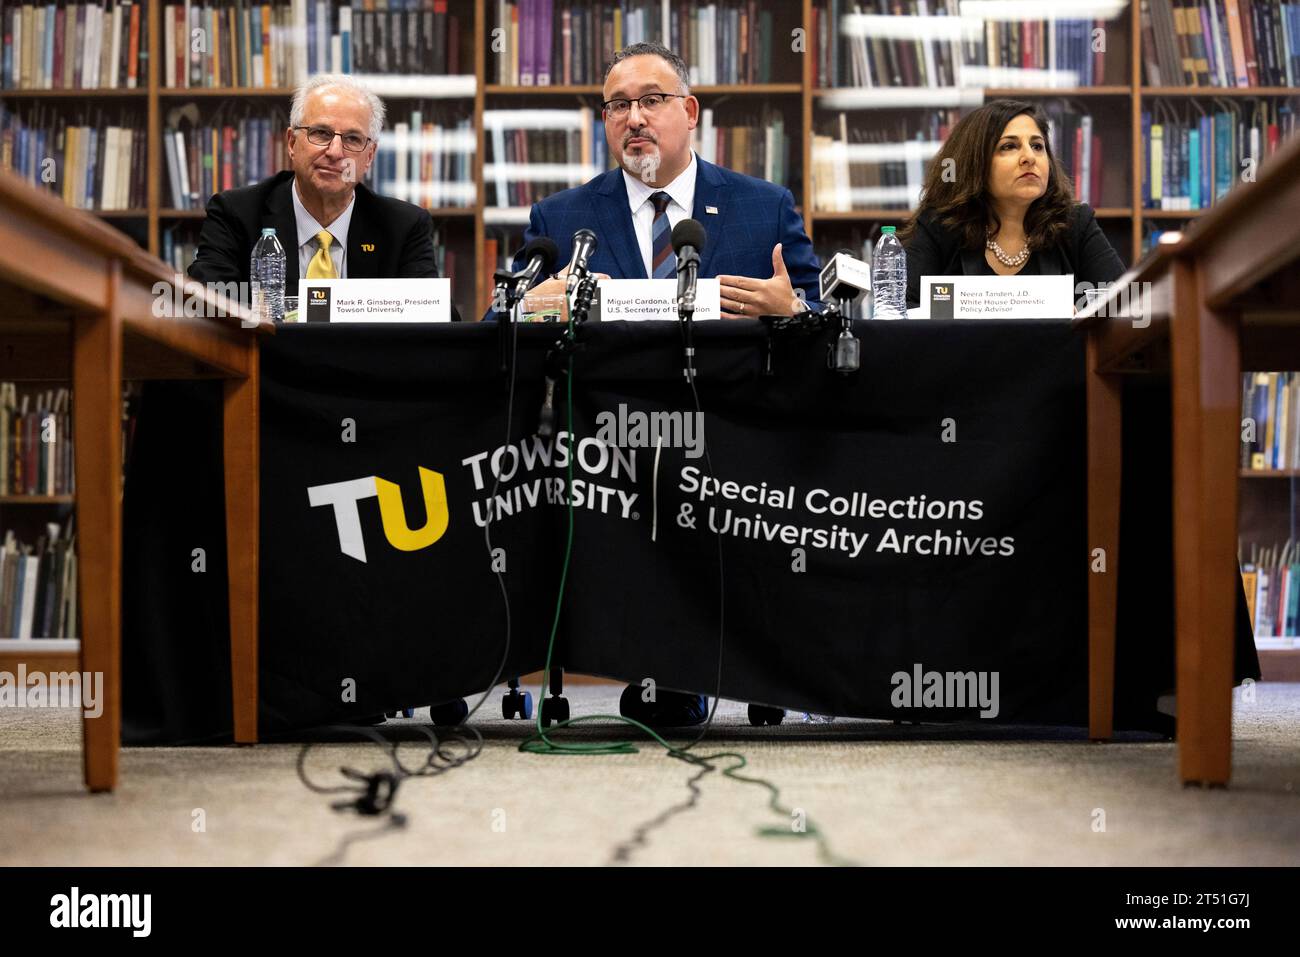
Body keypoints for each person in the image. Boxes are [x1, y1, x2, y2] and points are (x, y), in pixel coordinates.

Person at [485, 41, 822, 320]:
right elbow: (493, 328)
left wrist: (795, 310)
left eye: (651, 100)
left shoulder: (766, 208)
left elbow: (827, 318)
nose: (634, 119)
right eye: (619, 105)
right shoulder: (558, 219)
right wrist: (529, 308)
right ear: (606, 119)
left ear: (690, 112)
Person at [188, 73, 457, 319]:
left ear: (369, 156)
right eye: (321, 133)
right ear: (292, 143)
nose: (335, 152)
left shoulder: (403, 227)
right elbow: (205, 312)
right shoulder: (236, 214)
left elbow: (438, 323)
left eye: (352, 139)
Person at [900, 98, 1125, 310]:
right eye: (1009, 146)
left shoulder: (1074, 224)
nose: (1030, 157)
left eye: (1037, 146)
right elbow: (899, 312)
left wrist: (1084, 319)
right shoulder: (941, 225)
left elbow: (1127, 305)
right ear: (975, 163)